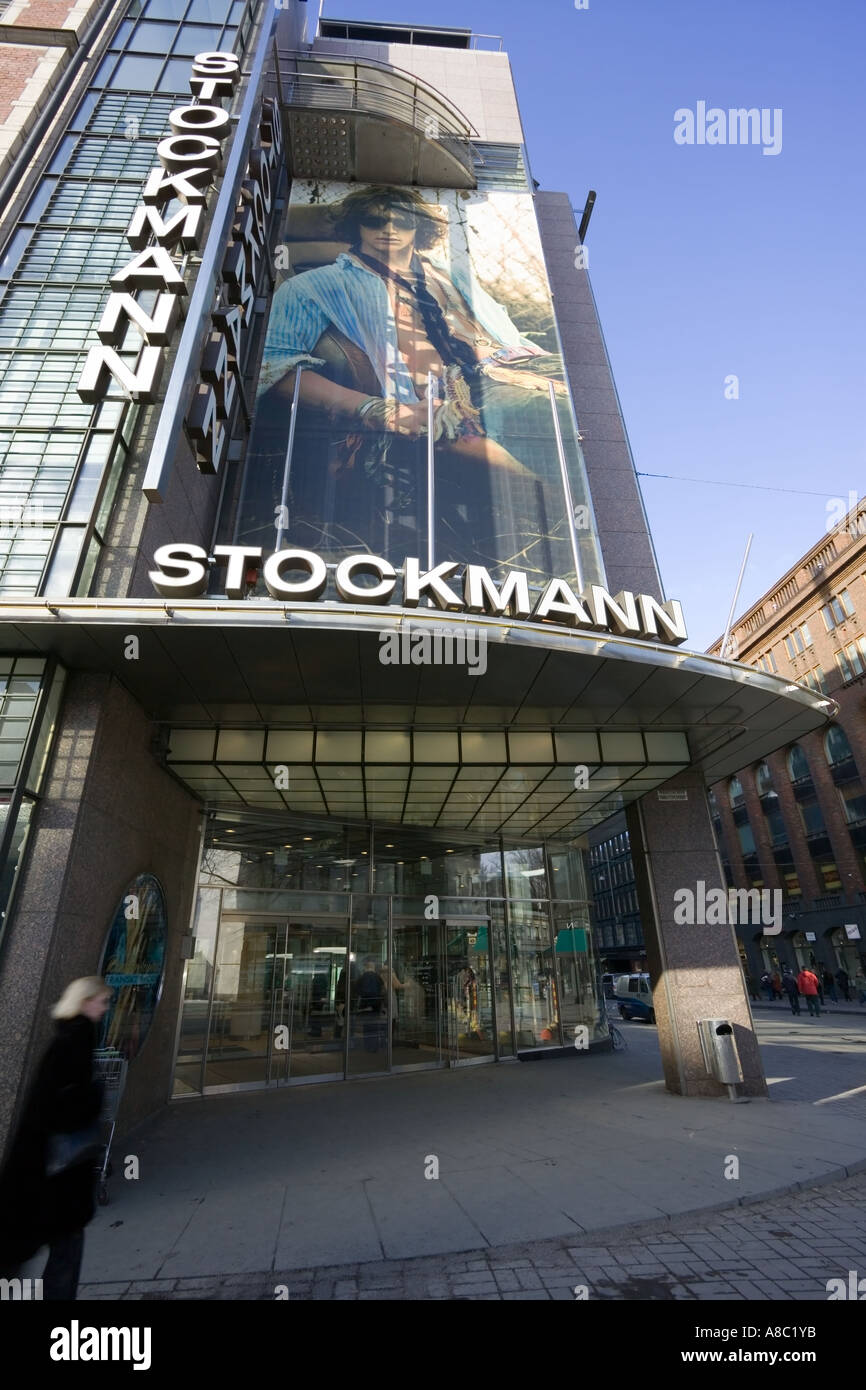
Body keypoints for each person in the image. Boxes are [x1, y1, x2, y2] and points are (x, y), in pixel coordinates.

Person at [246, 185, 577, 574]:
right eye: (374, 219)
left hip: (509, 375)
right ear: (356, 225)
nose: (389, 228)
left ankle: (567, 521)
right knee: (550, 420)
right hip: (434, 402)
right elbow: (272, 367)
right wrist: (375, 407)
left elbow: (507, 340)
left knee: (573, 415)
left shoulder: (453, 277)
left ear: (418, 227)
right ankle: (562, 522)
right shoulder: (316, 286)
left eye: (402, 220)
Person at [0, 976, 111, 1299]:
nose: (105, 1009)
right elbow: (60, 1107)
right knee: (63, 1246)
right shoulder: (75, 1040)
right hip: (57, 1172)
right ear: (86, 1001)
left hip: (47, 1170)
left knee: (46, 1245)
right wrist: (94, 1095)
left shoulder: (70, 1036)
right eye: (102, 1001)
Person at [356, 957, 387, 1053]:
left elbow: (357, 990)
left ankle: (368, 1046)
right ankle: (374, 1046)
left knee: (367, 1025)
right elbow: (383, 990)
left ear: (366, 966)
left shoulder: (361, 977)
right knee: (375, 1025)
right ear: (373, 966)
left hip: (365, 1004)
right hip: (376, 1004)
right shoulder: (378, 977)